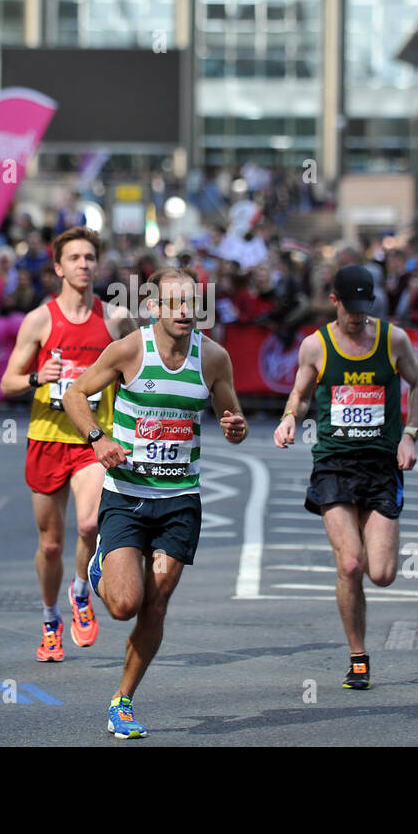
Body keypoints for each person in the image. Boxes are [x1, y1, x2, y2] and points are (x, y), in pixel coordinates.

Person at [63, 266, 247, 738]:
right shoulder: (129, 351)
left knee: (156, 604)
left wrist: (235, 427)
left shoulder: (213, 358)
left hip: (180, 499)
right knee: (125, 604)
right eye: (175, 304)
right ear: (154, 308)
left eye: (192, 304)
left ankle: (122, 701)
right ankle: (99, 567)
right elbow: (74, 393)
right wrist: (98, 438)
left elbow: (233, 414)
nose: (186, 312)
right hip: (126, 495)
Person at [272, 264, 418, 690]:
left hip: (381, 466)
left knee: (381, 573)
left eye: (365, 309)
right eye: (350, 309)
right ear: (334, 301)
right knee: (351, 563)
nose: (357, 318)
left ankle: (375, 536)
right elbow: (300, 395)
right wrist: (288, 419)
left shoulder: (393, 339)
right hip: (335, 465)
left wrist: (409, 436)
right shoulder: (315, 346)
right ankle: (358, 655)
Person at [0, 227, 134, 662]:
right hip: (46, 438)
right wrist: (40, 377)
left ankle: (80, 592)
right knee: (51, 544)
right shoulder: (40, 320)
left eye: (89, 257)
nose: (83, 264)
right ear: (58, 267)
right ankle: (49, 620)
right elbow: (7, 383)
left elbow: (137, 368)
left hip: (92, 439)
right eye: (74, 257)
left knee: (89, 524)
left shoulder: (115, 318)